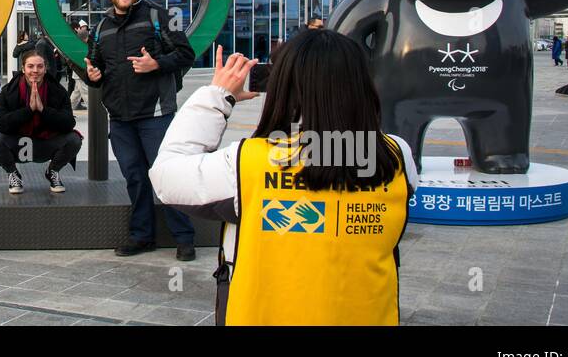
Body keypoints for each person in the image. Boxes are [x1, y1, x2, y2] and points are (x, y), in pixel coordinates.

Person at [150, 31, 419, 325]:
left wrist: (217, 95)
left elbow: (167, 177)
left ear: (285, 89)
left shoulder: (248, 162)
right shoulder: (397, 155)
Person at [84, 0, 197, 260]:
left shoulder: (157, 16)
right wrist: (92, 75)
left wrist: (156, 64)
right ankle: (142, 236)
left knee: (166, 176)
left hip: (155, 114)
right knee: (135, 178)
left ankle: (184, 238)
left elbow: (186, 54)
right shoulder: (101, 27)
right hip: (120, 118)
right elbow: (96, 69)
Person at [0, 52, 82, 194]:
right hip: (19, 142)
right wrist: (28, 110)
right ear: (23, 69)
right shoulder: (9, 90)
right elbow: (0, 123)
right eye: (30, 66)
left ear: (45, 69)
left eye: (39, 66)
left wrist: (43, 110)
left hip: (47, 141)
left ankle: (52, 171)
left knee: (74, 139)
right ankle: (13, 173)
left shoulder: (58, 90)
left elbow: (69, 123)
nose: (35, 70)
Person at [71, 20, 90, 110]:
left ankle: (68, 109)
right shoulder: (80, 45)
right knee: (85, 93)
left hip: (78, 73)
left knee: (76, 93)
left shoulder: (78, 44)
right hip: (80, 73)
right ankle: (94, 110)